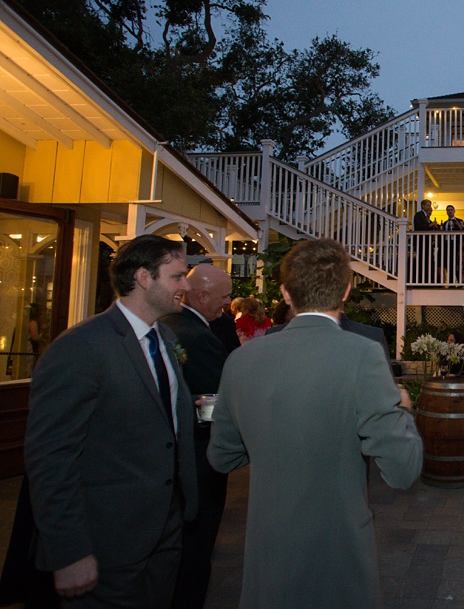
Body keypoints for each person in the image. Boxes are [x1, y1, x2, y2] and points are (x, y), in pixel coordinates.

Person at [208, 239, 422, 607]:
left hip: (268, 554)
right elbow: (403, 470)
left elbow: (222, 457)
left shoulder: (243, 360)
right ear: (346, 291)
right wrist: (402, 408)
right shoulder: (362, 354)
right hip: (336, 555)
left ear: (286, 293)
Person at [24, 234, 198, 606]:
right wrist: (68, 552)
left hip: (163, 534)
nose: (187, 285)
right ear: (143, 278)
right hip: (107, 541)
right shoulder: (82, 347)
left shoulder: (164, 339)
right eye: (178, 277)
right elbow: (51, 457)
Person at [160, 264, 234, 609]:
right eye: (224, 297)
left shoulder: (170, 326)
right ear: (202, 296)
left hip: (173, 461)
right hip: (198, 460)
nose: (228, 304)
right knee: (195, 549)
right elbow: (212, 404)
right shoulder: (196, 336)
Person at [411, 199, 439, 284]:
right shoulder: (419, 215)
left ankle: (428, 280)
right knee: (421, 262)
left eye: (430, 205)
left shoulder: (427, 218)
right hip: (421, 243)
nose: (429, 207)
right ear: (423, 206)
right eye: (427, 205)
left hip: (428, 244)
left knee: (428, 262)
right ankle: (420, 280)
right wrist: (431, 224)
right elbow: (419, 227)